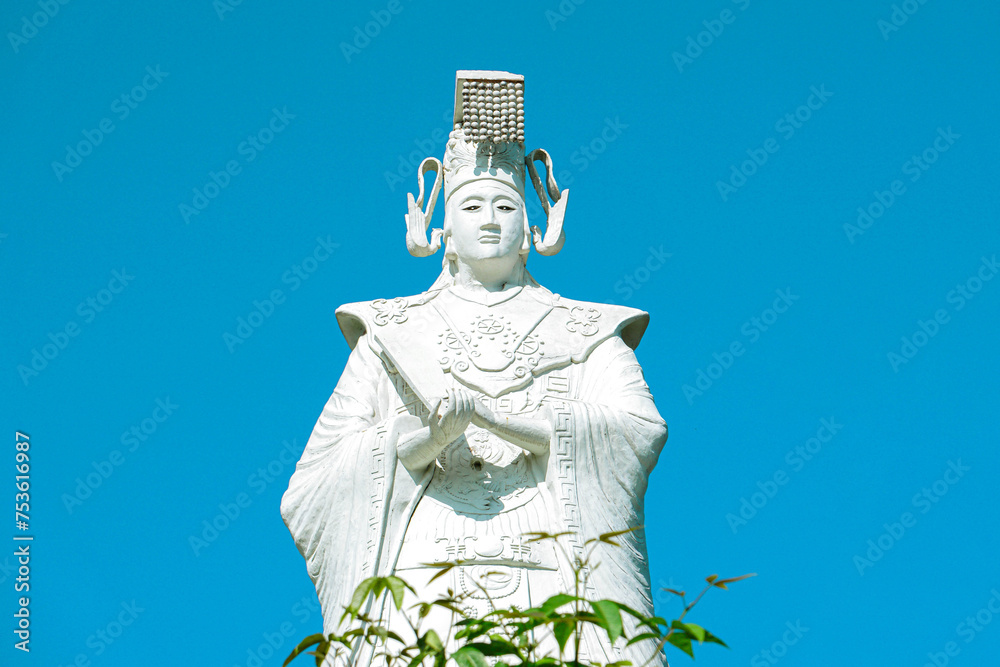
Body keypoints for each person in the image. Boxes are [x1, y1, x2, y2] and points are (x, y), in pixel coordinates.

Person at [281, 71, 667, 666]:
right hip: (421, 577)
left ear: (532, 228)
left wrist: (497, 417)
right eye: (471, 204)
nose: (490, 218)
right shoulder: (389, 331)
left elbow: (635, 429)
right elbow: (319, 479)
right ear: (444, 231)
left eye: (506, 205)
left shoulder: (588, 329)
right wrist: (429, 437)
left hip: (553, 567)